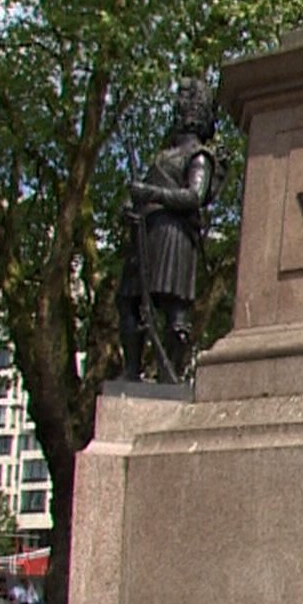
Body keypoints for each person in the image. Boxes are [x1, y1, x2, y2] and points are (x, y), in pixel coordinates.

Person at [119, 79, 219, 383]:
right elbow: (140, 194)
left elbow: (193, 196)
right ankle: (131, 371)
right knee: (128, 304)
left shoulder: (199, 156)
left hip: (175, 234)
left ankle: (169, 375)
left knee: (176, 312)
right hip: (146, 233)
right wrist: (129, 206)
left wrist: (150, 193)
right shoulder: (161, 157)